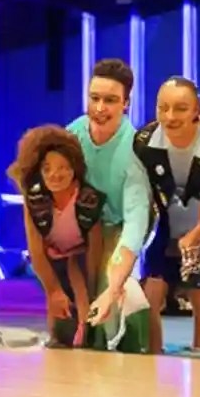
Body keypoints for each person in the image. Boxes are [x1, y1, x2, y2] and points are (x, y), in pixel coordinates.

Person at [132, 76, 200, 353]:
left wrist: (196, 234)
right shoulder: (144, 143)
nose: (170, 116)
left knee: (195, 276)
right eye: (162, 107)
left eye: (180, 108)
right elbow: (146, 195)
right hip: (173, 208)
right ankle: (151, 350)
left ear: (196, 110)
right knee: (154, 283)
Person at [64, 58, 154, 352]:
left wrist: (114, 286)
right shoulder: (72, 134)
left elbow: (135, 222)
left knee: (121, 299)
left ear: (126, 104)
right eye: (95, 98)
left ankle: (147, 357)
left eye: (111, 100)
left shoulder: (135, 152)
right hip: (80, 229)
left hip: (118, 229)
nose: (100, 108)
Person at [6, 125, 105, 348]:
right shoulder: (34, 201)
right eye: (47, 168)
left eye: (63, 168)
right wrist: (53, 291)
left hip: (81, 258)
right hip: (52, 260)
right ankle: (58, 337)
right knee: (61, 326)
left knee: (86, 318)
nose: (55, 175)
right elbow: (36, 252)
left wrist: (89, 293)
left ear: (74, 170)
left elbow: (94, 253)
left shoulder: (89, 200)